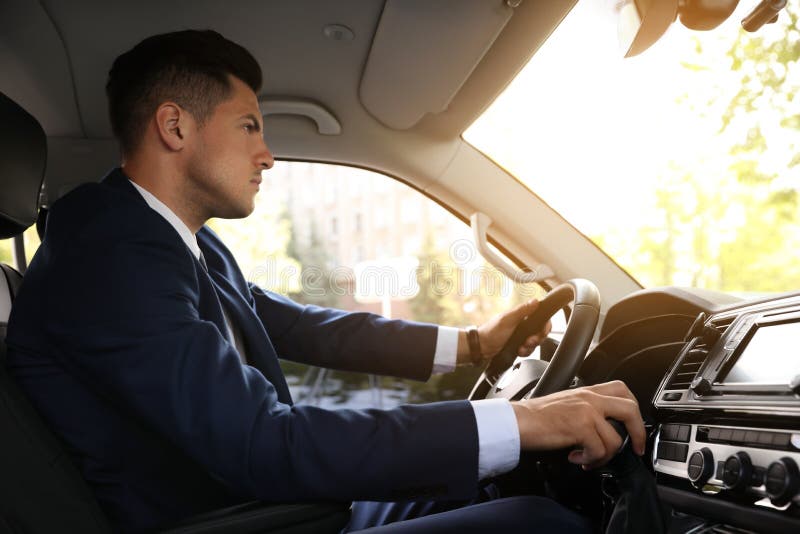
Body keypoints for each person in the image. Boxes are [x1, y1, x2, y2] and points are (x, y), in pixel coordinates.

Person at [5, 30, 645, 533]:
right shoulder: (109, 257)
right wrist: (520, 422)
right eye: (249, 125)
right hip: (235, 522)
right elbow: (262, 441)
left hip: (268, 507)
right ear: (174, 127)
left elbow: (304, 327)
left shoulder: (182, 245)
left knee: (479, 484)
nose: (268, 153)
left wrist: (473, 345)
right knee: (543, 521)